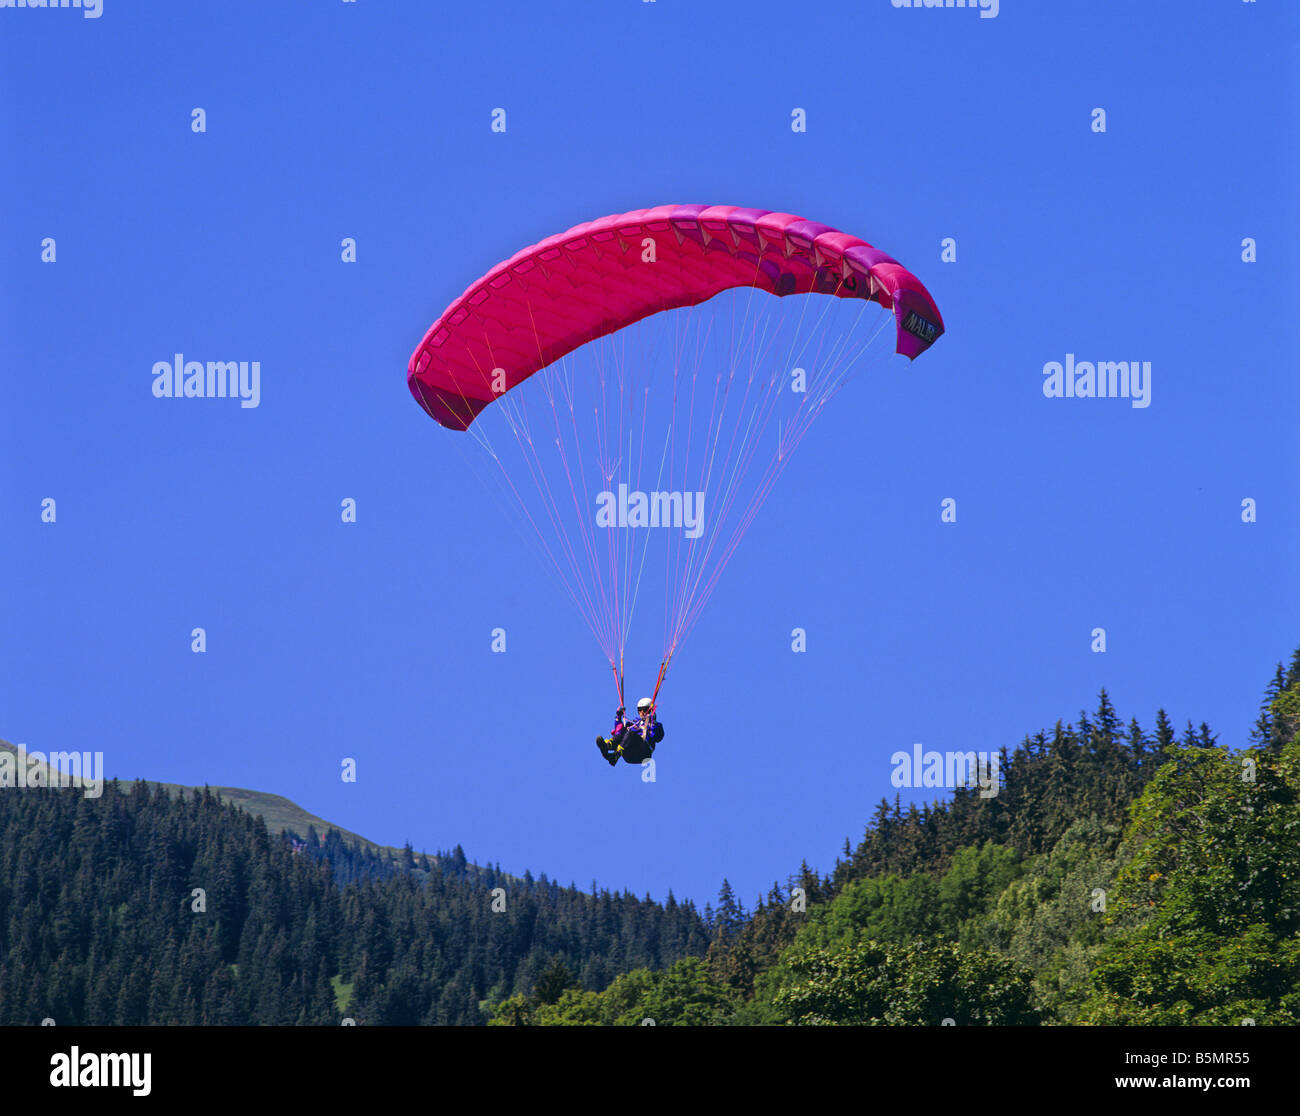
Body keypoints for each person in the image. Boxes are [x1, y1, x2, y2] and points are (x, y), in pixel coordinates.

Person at [596, 697, 663, 766]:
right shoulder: (633, 724)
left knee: (631, 733)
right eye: (639, 710)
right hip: (629, 754)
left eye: (645, 709)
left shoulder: (654, 725)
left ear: (650, 710)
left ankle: (616, 754)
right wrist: (618, 717)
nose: (642, 712)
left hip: (644, 753)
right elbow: (618, 731)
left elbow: (657, 737)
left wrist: (653, 723)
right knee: (625, 730)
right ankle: (607, 746)